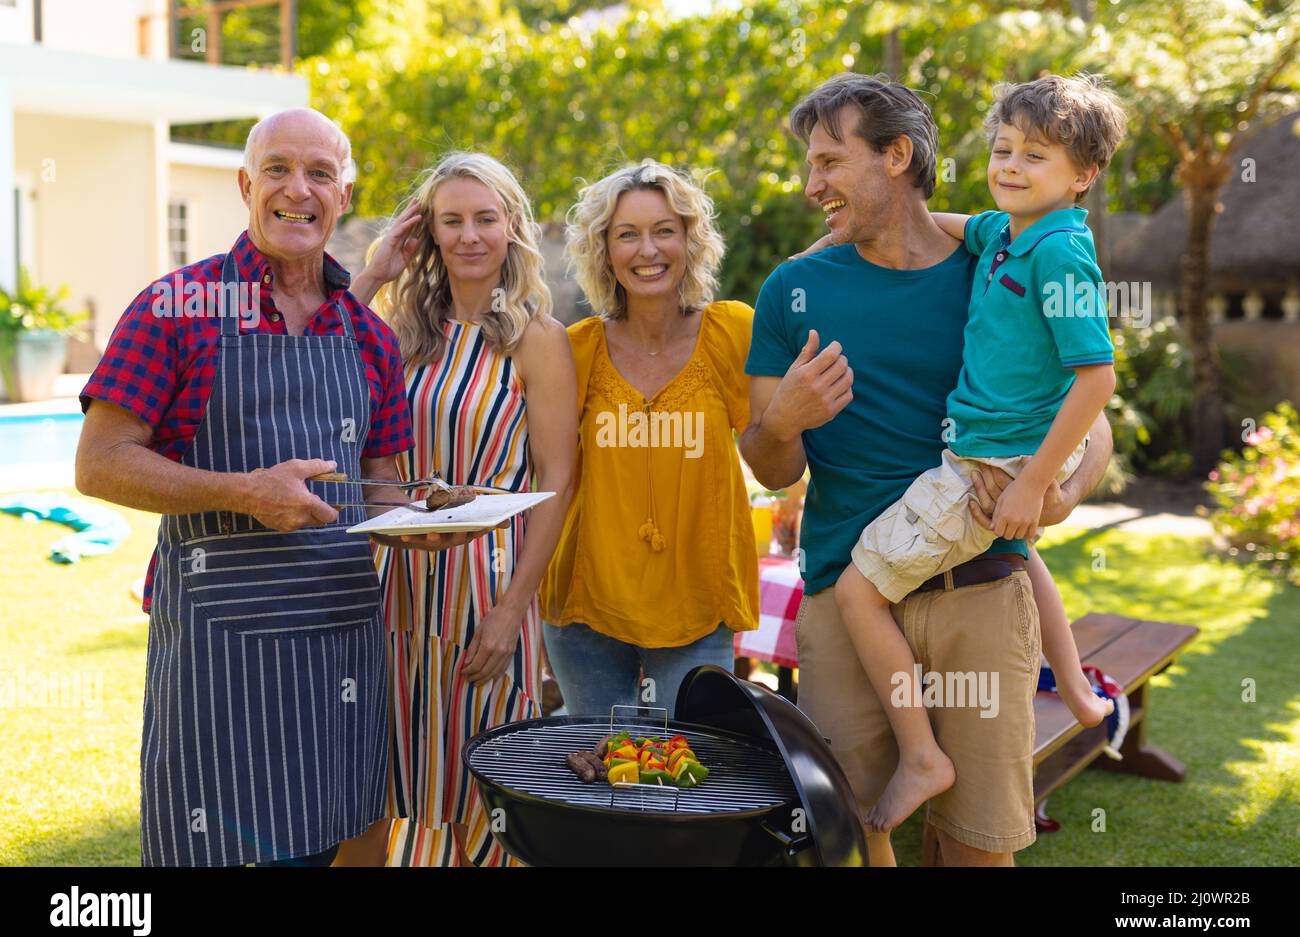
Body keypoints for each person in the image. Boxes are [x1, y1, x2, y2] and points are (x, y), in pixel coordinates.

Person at [75, 108, 479, 867]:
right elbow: (99, 462)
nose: (299, 190)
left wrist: (428, 522)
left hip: (341, 653)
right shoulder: (176, 308)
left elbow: (381, 486)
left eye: (320, 173)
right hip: (222, 655)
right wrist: (245, 491)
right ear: (244, 185)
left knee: (342, 839)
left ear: (345, 194)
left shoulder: (368, 335)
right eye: (279, 170)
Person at [740, 74, 1114, 867]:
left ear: (897, 154)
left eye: (831, 163)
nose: (812, 186)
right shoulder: (793, 290)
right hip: (848, 603)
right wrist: (785, 421)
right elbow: (768, 463)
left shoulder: (994, 259)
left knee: (977, 844)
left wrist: (1055, 491)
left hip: (979, 592)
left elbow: (1093, 408)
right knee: (848, 833)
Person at [336, 152, 577, 867]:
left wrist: (512, 612)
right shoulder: (396, 326)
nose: (469, 236)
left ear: (512, 227)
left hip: (487, 593)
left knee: (483, 793)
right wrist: (378, 268)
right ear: (429, 233)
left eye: (485, 218)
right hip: (391, 588)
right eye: (451, 220)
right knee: (374, 788)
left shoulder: (538, 339)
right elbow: (307, 359)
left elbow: (558, 482)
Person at [539, 161, 760, 718]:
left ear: (690, 240)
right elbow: (548, 473)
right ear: (603, 250)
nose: (648, 250)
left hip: (696, 602)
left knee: (682, 785)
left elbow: (773, 450)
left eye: (664, 230)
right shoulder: (576, 348)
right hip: (586, 608)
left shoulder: (732, 332)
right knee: (596, 779)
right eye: (626, 234)